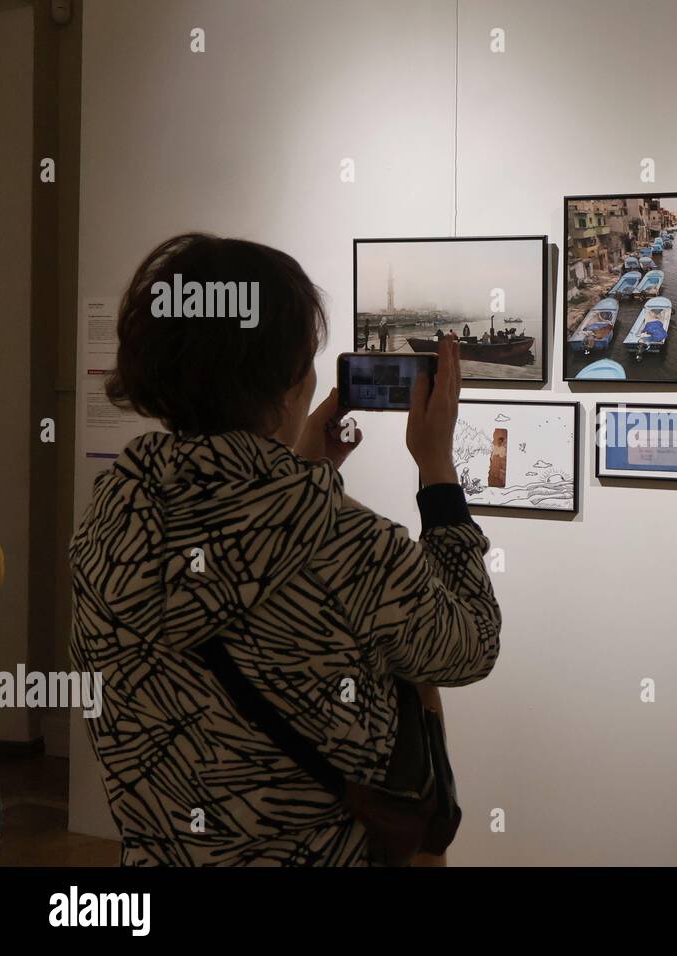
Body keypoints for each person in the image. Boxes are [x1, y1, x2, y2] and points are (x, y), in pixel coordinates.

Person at [69, 233, 502, 866]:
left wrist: (299, 469)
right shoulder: (353, 546)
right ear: (289, 379)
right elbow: (470, 645)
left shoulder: (106, 521)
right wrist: (436, 468)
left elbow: (231, 552)